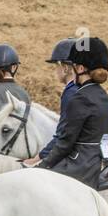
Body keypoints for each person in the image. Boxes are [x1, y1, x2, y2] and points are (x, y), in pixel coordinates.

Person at [34, 37, 108, 189]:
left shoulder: (80, 98)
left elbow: (65, 143)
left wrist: (41, 166)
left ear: (79, 69)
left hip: (80, 167)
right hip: (102, 162)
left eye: (73, 67)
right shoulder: (105, 97)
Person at [24, 38, 78, 167]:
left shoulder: (70, 93)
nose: (56, 71)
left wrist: (36, 159)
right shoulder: (85, 88)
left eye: (56, 67)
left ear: (65, 68)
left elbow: (63, 136)